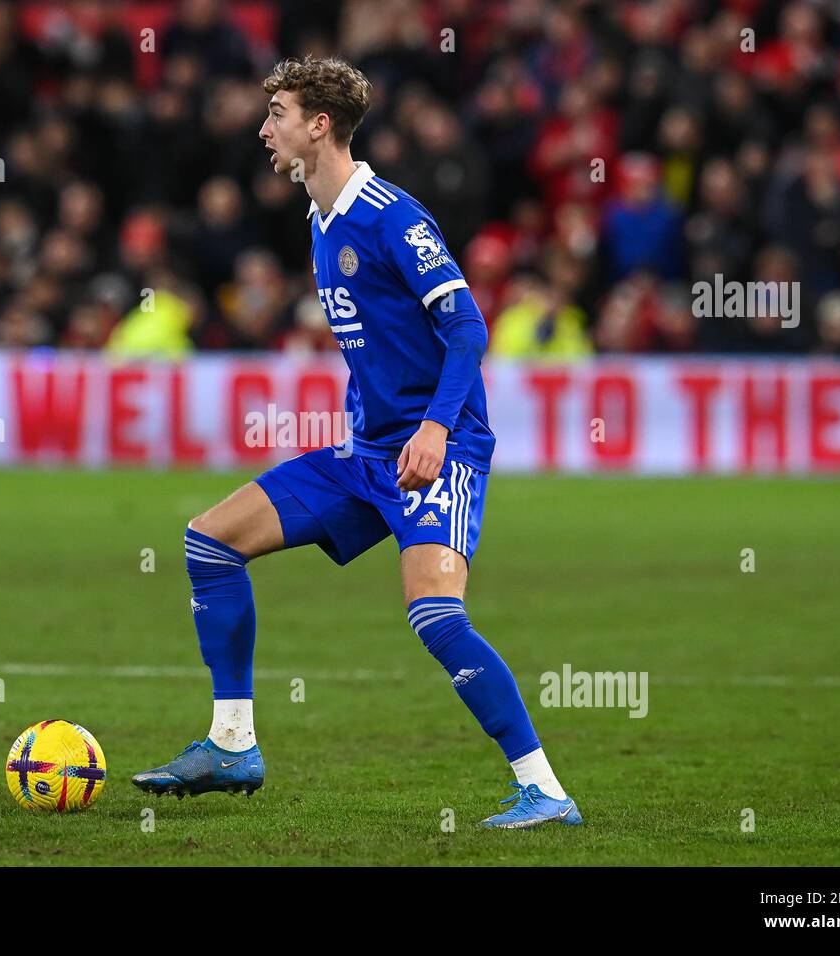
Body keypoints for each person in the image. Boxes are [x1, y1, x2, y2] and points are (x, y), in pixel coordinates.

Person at [132, 57, 582, 829]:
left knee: (436, 616)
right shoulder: (319, 218)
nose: (262, 129)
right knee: (210, 542)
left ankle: (545, 790)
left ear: (319, 126)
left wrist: (436, 428)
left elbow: (467, 328)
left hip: (438, 452)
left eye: (277, 114)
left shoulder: (391, 217)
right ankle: (232, 743)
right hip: (367, 456)